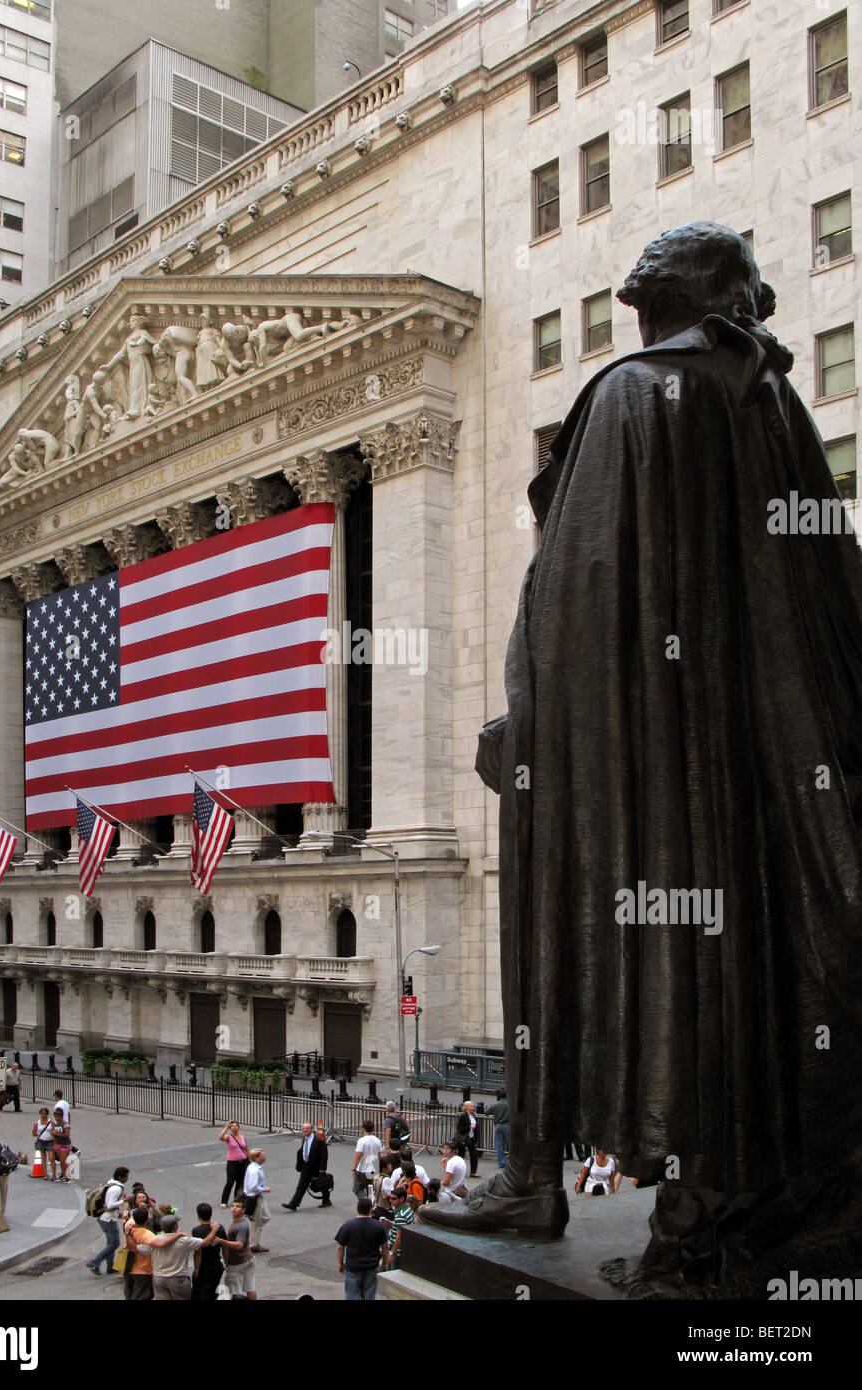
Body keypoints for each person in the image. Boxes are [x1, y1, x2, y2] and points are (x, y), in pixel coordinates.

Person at [421, 222, 862, 1285]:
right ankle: (590, 1188)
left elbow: (579, 592)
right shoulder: (768, 399)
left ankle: (623, 1202)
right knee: (713, 965)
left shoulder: (638, 396)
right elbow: (832, 585)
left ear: (652, 300)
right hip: (751, 765)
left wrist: (534, 729)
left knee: (616, 956)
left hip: (635, 765)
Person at [137, 1213, 221, 1301]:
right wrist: (214, 1230)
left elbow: (139, 1248)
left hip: (159, 1278)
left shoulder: (155, 1241)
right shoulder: (184, 1241)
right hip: (178, 1278)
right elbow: (205, 1243)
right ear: (175, 1227)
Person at [335, 1195, 389, 1300]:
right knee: (369, 1294)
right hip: (371, 1266)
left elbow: (340, 1247)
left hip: (353, 1267)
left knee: (352, 1294)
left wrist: (341, 1264)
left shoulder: (348, 1226)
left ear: (357, 1208)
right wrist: (385, 1264)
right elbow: (385, 1247)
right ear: (370, 1210)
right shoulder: (378, 1226)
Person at [86, 1165, 129, 1275]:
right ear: (120, 1177)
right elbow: (110, 1205)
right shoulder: (117, 1189)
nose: (127, 1179)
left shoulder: (110, 1184)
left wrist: (119, 1215)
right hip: (108, 1220)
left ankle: (110, 1266)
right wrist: (124, 1200)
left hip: (104, 1217)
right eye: (126, 1177)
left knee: (110, 1243)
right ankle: (95, 1261)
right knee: (114, 1243)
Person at [281, 1121, 330, 1211]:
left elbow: (324, 1156)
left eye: (307, 1128)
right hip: (306, 1165)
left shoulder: (319, 1141)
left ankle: (326, 1200)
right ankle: (293, 1204)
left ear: (311, 1130)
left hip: (316, 1167)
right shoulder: (305, 1139)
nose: (305, 1130)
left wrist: (322, 1168)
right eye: (303, 1128)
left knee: (322, 1184)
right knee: (301, 1185)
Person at [219, 1198, 256, 1300]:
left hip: (238, 1262)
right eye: (233, 1206)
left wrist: (222, 1241)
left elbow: (239, 1245)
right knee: (250, 1288)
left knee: (233, 1291)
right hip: (249, 1259)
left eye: (238, 1207)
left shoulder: (241, 1225)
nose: (234, 1208)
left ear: (243, 1210)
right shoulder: (241, 1221)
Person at [191, 1201, 227, 1301]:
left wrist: (196, 1269)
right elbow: (225, 1246)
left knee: (201, 1293)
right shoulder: (220, 1227)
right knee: (212, 1291)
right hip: (216, 1266)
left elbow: (198, 1252)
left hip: (204, 1267)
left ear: (198, 1216)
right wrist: (226, 1263)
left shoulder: (197, 1231)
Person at [123, 1206, 154, 1301]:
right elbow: (136, 1248)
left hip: (128, 1268)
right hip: (143, 1270)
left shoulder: (129, 1228)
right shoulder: (147, 1234)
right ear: (147, 1220)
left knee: (129, 1295)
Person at [242, 1148, 270, 1252]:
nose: (265, 1156)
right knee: (257, 1222)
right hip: (254, 1198)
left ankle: (253, 1237)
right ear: (257, 1158)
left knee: (265, 1217)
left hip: (258, 1197)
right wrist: (264, 1189)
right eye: (263, 1155)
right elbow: (252, 1186)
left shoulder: (256, 1167)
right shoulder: (254, 1170)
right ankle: (254, 1244)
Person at [217, 1119, 249, 1206]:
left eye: (236, 1126)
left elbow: (246, 1149)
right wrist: (226, 1127)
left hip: (243, 1161)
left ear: (239, 1127)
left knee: (240, 1182)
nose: (234, 1127)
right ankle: (224, 1201)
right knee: (230, 1182)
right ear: (230, 1128)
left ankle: (237, 1199)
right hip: (232, 1162)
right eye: (232, 1126)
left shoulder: (243, 1137)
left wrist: (250, 1160)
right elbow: (220, 1138)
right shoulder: (229, 1137)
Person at [384, 1189, 416, 1271]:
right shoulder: (407, 1210)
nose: (390, 1200)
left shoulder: (401, 1216)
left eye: (393, 1199)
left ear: (401, 1199)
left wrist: (391, 1254)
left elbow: (399, 1237)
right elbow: (402, 1227)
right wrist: (391, 1224)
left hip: (397, 1252)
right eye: (390, 1198)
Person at [352, 1119, 382, 1199]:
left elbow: (358, 1156)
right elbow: (379, 1156)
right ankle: (372, 1204)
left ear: (363, 1128)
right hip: (374, 1169)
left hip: (363, 1169)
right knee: (371, 1190)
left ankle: (365, 1201)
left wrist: (354, 1169)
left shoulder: (362, 1141)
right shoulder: (377, 1140)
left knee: (357, 1189)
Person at [454, 1100, 479, 1178]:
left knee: (474, 1155)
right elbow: (459, 1128)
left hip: (471, 1138)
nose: (473, 1107)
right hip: (463, 1138)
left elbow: (476, 1127)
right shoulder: (463, 1116)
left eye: (473, 1106)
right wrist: (469, 1127)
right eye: (471, 1106)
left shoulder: (473, 1115)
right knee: (461, 1155)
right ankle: (458, 1171)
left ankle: (473, 1172)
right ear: (466, 1107)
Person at [490, 1091, 510, 1170]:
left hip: (498, 1125)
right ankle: (510, 1161)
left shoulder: (495, 1104)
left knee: (499, 1144)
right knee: (511, 1144)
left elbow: (487, 1112)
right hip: (508, 1125)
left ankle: (501, 1162)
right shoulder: (510, 1104)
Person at [50, 1107, 72, 1181]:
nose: (57, 1118)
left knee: (63, 1161)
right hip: (58, 1145)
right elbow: (54, 1136)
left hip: (65, 1145)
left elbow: (67, 1135)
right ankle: (63, 1175)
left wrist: (57, 1133)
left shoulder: (65, 1124)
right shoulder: (55, 1124)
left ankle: (68, 1175)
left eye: (58, 1116)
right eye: (56, 1116)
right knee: (60, 1161)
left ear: (62, 1116)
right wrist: (54, 1144)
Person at [32, 1108, 54, 1178]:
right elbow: (33, 1133)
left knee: (51, 1158)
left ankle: (54, 1174)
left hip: (50, 1142)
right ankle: (45, 1174)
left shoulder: (51, 1122)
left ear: (47, 1114)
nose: (43, 1115)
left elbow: (54, 1131)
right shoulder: (37, 1123)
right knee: (43, 1158)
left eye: (45, 1113)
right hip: (41, 1142)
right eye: (42, 1113)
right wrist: (37, 1134)